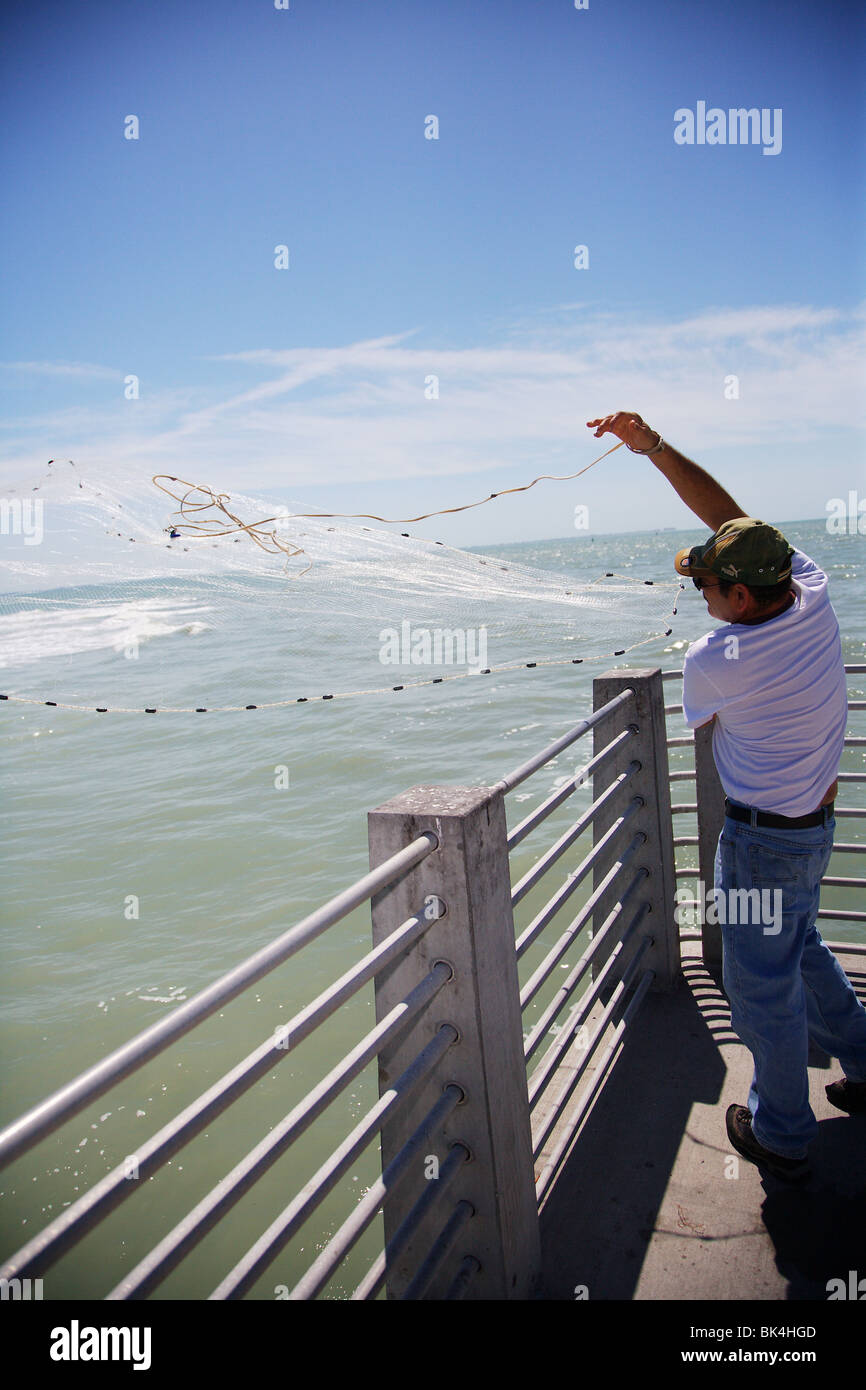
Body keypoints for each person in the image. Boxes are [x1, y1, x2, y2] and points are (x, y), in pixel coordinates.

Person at [586, 411, 866, 1182]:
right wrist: (653, 448)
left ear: (739, 597)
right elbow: (729, 516)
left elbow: (706, 723)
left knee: (759, 995)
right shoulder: (809, 588)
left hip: (760, 844)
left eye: (705, 583)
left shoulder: (716, 658)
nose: (698, 590)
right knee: (802, 945)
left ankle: (782, 1134)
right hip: (814, 831)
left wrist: (649, 447)